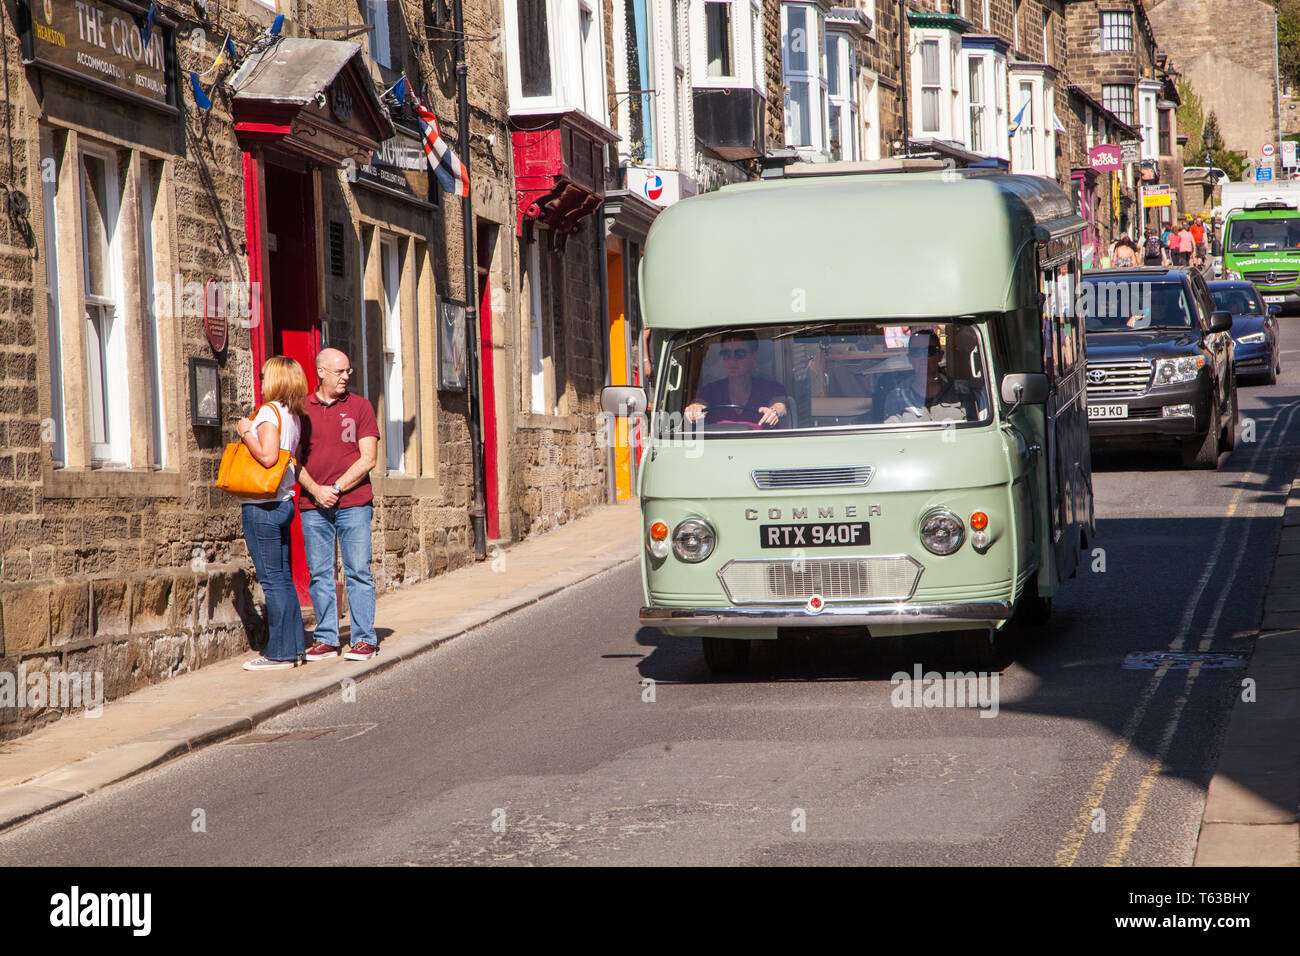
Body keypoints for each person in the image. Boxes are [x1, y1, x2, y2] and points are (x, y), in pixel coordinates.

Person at [296, 348, 382, 662]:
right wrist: (316, 491)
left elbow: (368, 458)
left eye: (348, 371)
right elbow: (291, 460)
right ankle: (327, 639)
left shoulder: (360, 407)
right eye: (339, 372)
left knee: (358, 571)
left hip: (354, 503)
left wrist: (334, 488)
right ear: (320, 372)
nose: (346, 377)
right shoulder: (301, 409)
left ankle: (363, 640)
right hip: (312, 505)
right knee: (320, 573)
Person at [235, 356, 309, 671]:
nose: (261, 379)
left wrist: (245, 430)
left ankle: (278, 653)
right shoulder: (294, 415)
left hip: (262, 505)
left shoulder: (268, 412)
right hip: (284, 503)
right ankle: (294, 648)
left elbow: (266, 457)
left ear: (275, 379)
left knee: (272, 581)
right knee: (284, 580)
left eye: (264, 375)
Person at [684, 332, 788, 427]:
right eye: (726, 354)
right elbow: (700, 403)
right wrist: (694, 409)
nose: (732, 360)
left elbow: (780, 405)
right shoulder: (710, 390)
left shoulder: (771, 388)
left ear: (753, 356)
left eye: (739, 354)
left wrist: (773, 411)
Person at [882, 331, 979, 424]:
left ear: (940, 355)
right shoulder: (897, 396)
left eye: (929, 351)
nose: (922, 357)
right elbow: (893, 437)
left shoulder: (961, 390)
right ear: (910, 358)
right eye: (916, 352)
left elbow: (974, 430)